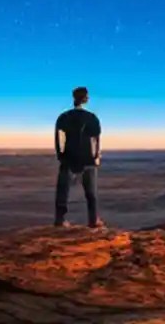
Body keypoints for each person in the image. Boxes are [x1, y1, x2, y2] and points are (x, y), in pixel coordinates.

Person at [54, 86, 103, 227]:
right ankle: (93, 221)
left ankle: (60, 220)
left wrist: (61, 155)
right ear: (85, 98)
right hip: (88, 159)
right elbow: (96, 140)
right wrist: (96, 156)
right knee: (91, 193)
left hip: (68, 158)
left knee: (63, 191)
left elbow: (59, 139)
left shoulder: (64, 117)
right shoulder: (92, 118)